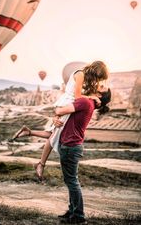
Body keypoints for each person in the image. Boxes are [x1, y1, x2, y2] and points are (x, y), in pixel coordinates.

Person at [11, 61, 109, 180]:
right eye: (99, 78)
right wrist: (91, 97)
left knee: (54, 133)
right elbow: (78, 96)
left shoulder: (84, 77)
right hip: (69, 102)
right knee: (55, 136)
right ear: (95, 71)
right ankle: (41, 164)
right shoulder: (81, 74)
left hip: (68, 103)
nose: (98, 81)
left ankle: (29, 133)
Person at [54, 87, 111, 224]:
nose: (97, 84)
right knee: (70, 181)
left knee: (72, 181)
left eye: (102, 86)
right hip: (71, 144)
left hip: (70, 145)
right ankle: (72, 211)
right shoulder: (89, 102)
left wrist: (56, 114)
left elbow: (59, 110)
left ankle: (78, 216)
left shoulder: (85, 102)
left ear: (99, 94)